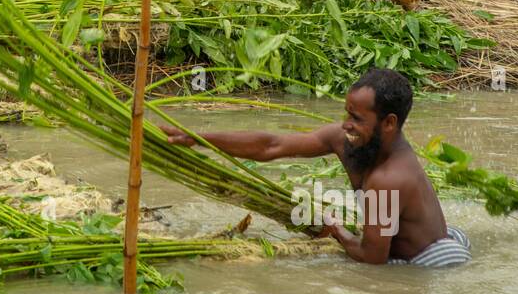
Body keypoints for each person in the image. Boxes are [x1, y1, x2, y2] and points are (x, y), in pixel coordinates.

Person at [160, 68, 470, 267]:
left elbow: (373, 258)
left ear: (389, 123)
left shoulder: (390, 178)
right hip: (407, 241)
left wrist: (335, 228)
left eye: (358, 119)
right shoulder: (347, 140)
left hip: (430, 260)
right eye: (347, 113)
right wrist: (196, 138)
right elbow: (271, 146)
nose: (347, 125)